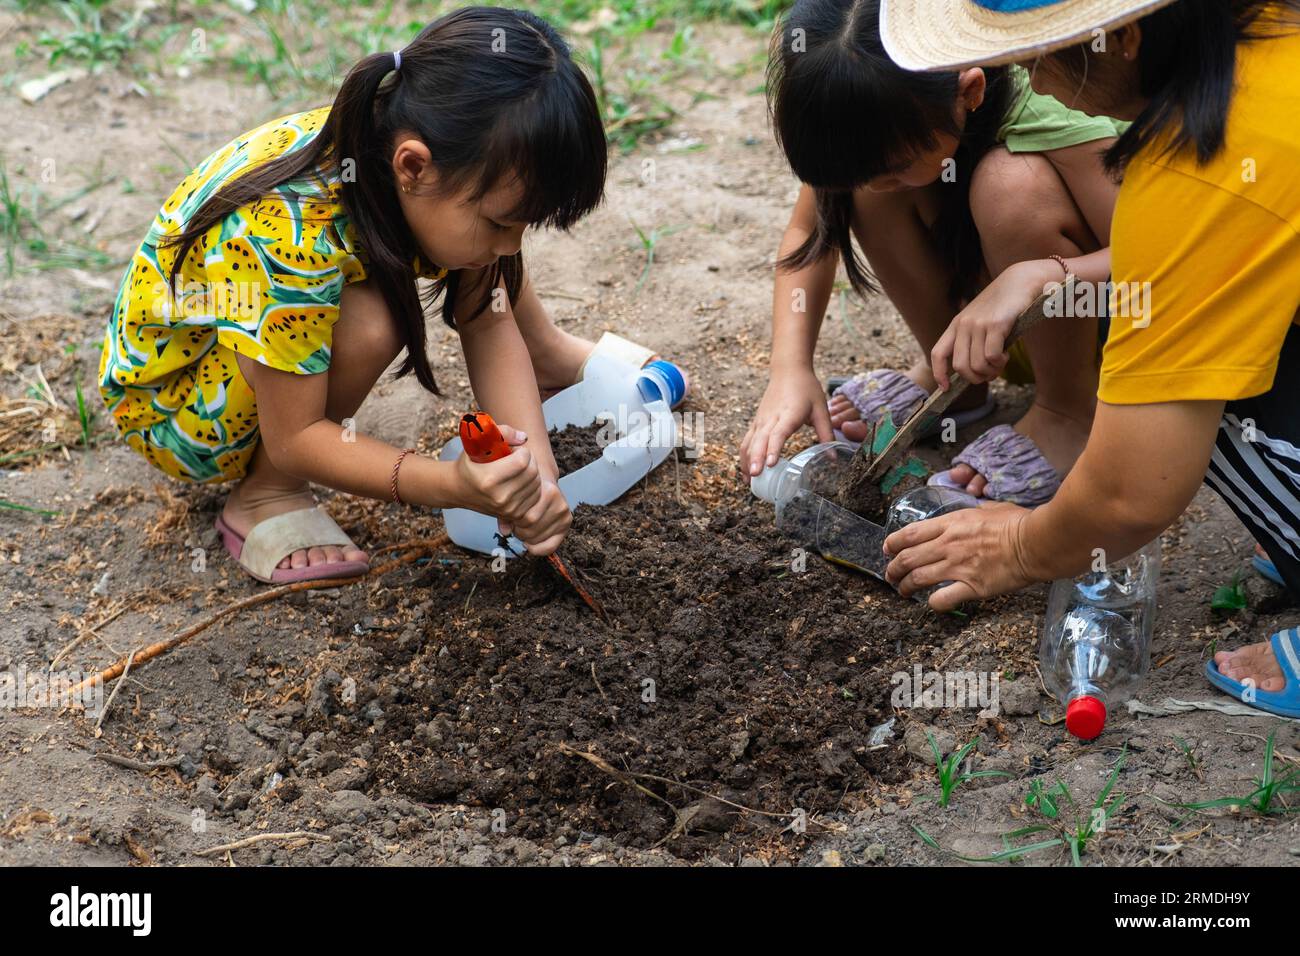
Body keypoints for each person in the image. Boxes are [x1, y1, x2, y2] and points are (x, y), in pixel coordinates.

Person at [99, 7, 683, 584]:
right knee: (374, 323)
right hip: (178, 405)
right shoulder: (286, 230)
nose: (514, 245)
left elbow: (486, 317)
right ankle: (264, 495)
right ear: (413, 167)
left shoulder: (433, 153)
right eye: (505, 220)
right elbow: (298, 438)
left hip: (261, 334)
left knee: (474, 257)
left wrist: (539, 484)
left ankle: (547, 355)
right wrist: (452, 485)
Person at [879, 0, 1300, 717]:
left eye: (1041, 52)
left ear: (1123, 36)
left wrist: (1018, 546)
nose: (1026, 77)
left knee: (1210, 393)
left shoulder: (1198, 169)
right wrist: (1057, 276)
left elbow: (1132, 490)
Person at [740, 0, 1127, 506]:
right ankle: (955, 383)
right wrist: (790, 368)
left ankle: (1067, 413)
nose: (879, 185)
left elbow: (1161, 255)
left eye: (896, 165)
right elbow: (806, 231)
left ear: (970, 91)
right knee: (865, 190)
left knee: (1009, 187)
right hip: (993, 331)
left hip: (1099, 328)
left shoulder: (1048, 101)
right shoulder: (871, 117)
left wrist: (1044, 277)